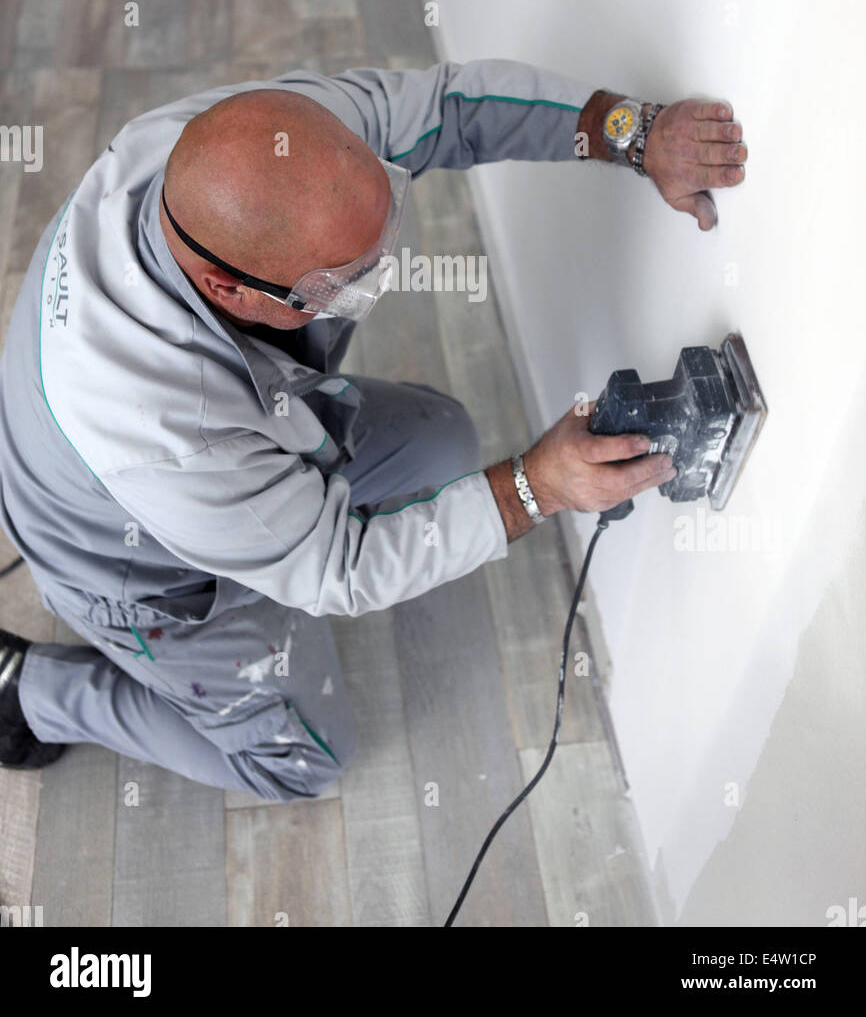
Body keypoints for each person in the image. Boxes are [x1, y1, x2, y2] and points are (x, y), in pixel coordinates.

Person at [0, 59, 746, 795]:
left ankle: (266, 530)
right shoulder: (168, 432)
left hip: (211, 459)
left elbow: (450, 107)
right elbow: (341, 568)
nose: (374, 282)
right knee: (304, 763)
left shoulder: (273, 139)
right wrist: (537, 488)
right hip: (130, 564)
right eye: (339, 281)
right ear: (227, 288)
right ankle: (31, 692)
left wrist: (632, 132)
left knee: (444, 443)